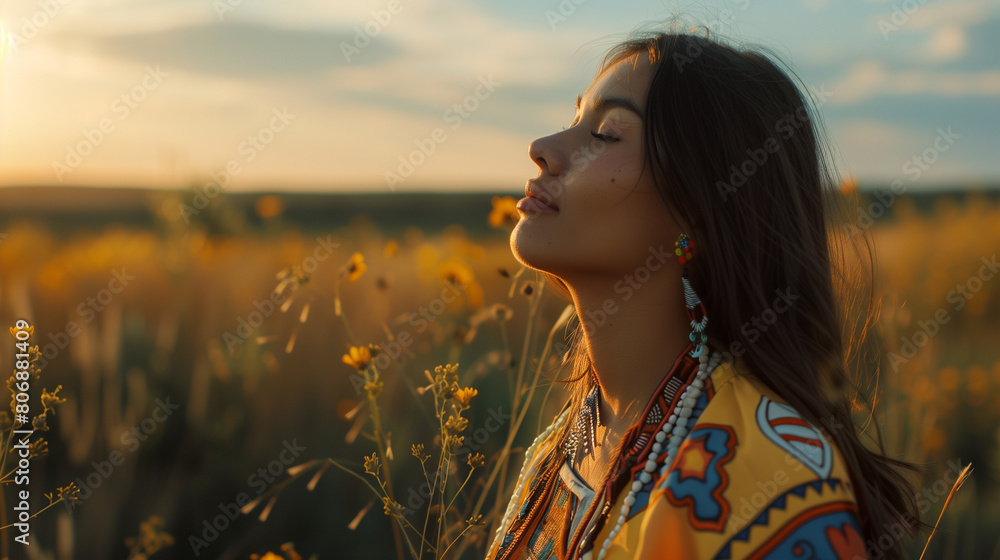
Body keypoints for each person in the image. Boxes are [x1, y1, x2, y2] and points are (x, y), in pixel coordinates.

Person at [486, 29, 924, 560]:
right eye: (575, 119)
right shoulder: (577, 438)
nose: (542, 148)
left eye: (605, 133)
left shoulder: (768, 481)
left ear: (698, 207)